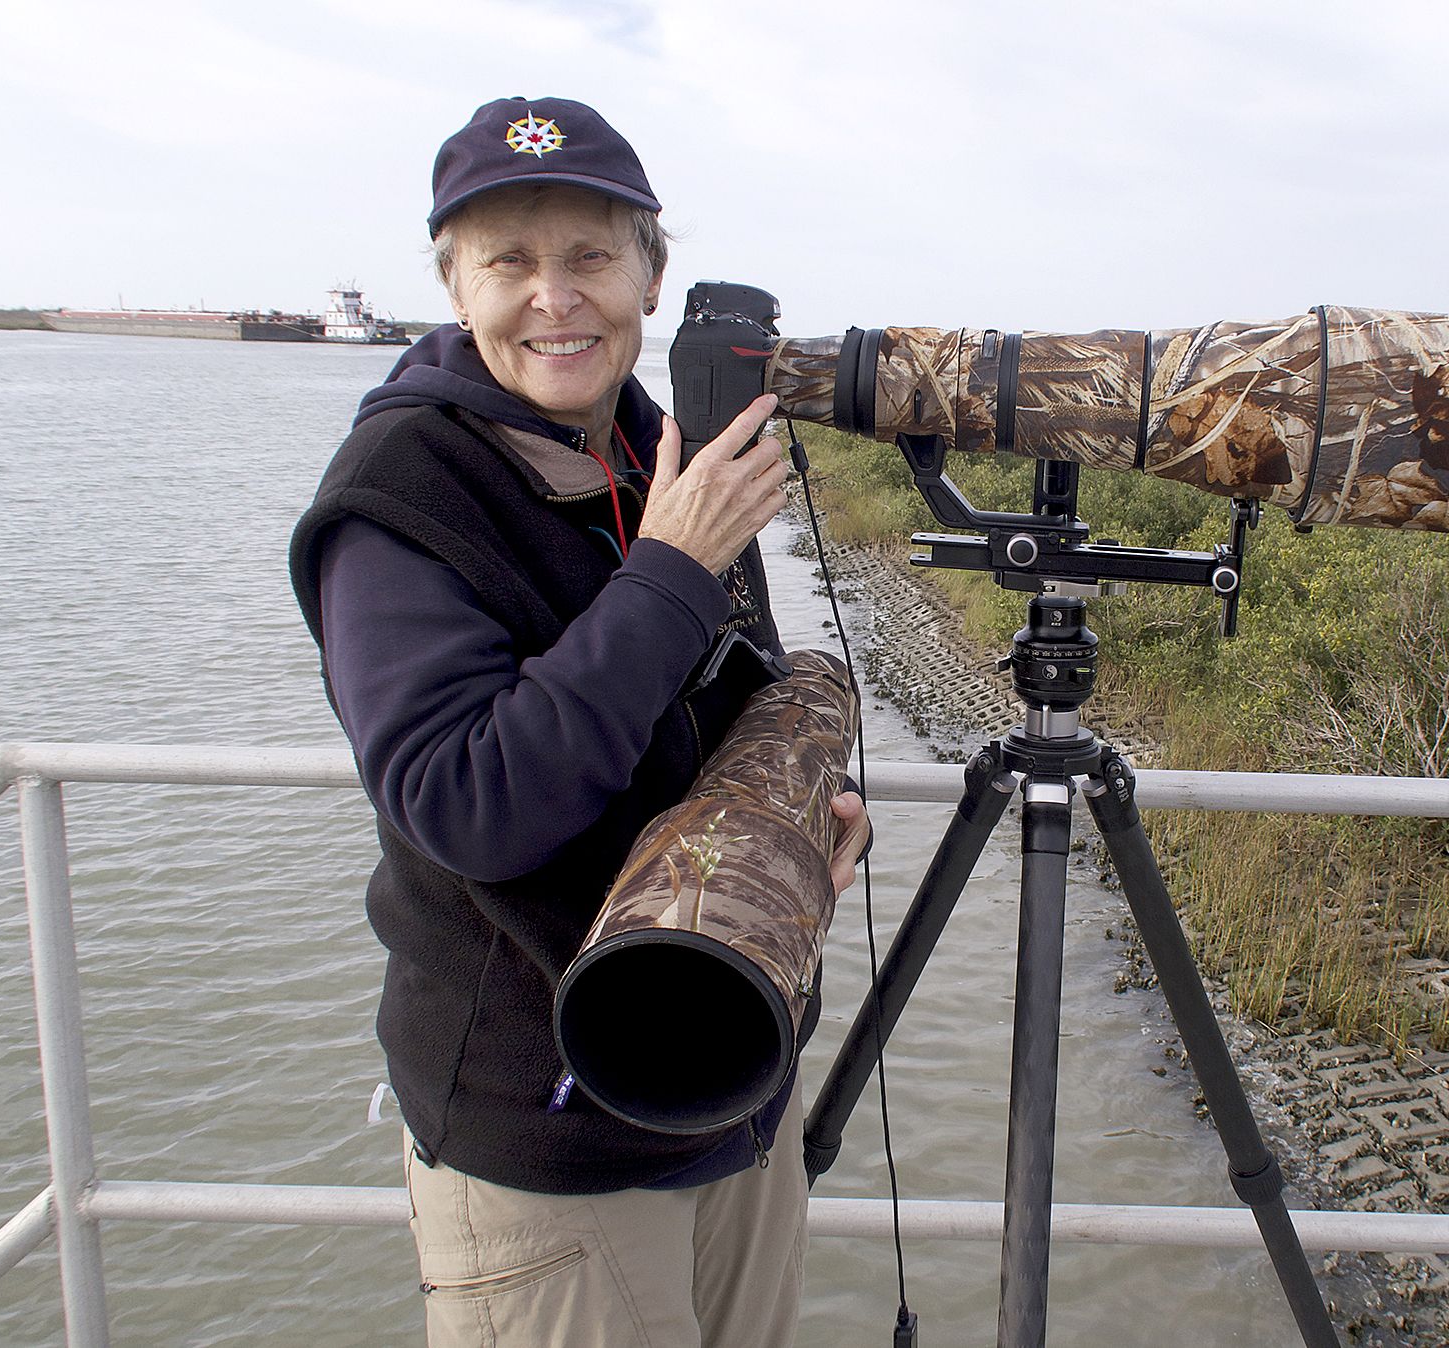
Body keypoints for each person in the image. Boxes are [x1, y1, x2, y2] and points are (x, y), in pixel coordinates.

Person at [288, 96, 870, 1347]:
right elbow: (467, 804)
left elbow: (713, 703)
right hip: (547, 1131)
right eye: (510, 260)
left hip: (732, 1080)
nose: (555, 297)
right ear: (454, 282)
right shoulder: (402, 501)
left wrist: (790, 831)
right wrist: (669, 565)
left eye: (593, 256)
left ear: (652, 278)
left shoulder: (655, 446)